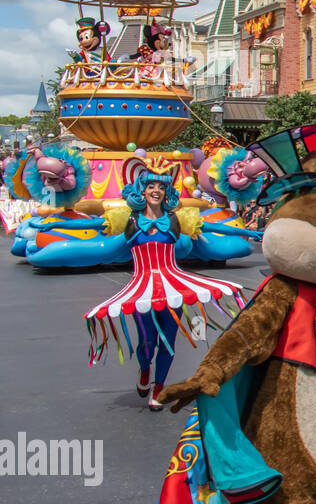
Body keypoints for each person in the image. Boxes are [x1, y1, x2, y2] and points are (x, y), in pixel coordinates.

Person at [67, 157, 252, 410]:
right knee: (147, 343)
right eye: (151, 186)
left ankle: (159, 388)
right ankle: (145, 370)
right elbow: (93, 224)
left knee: (167, 341)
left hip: (172, 288)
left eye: (161, 187)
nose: (156, 190)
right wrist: (53, 222)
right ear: (142, 190)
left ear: (167, 192)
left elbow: (208, 227)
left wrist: (250, 233)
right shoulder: (129, 220)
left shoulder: (176, 220)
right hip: (142, 290)